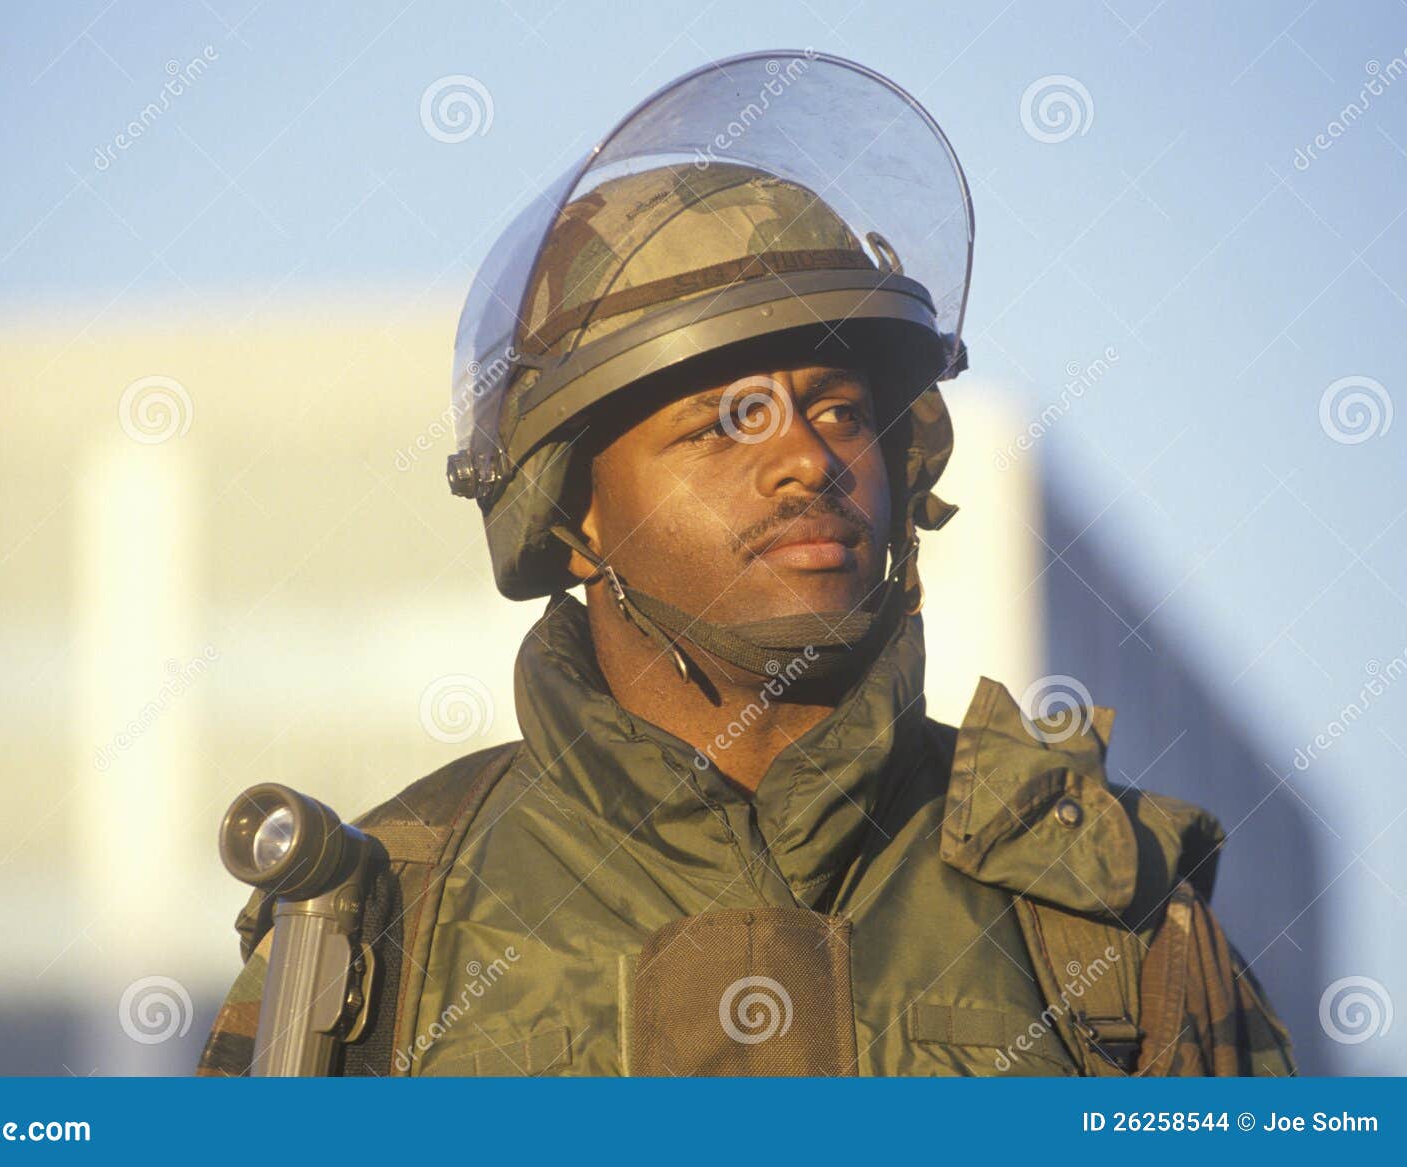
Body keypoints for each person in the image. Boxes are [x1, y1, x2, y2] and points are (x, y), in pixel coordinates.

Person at [199, 51, 1293, 1077]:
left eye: (839, 411)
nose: (808, 462)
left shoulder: (1096, 912)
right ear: (569, 511)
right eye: (723, 425)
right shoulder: (381, 918)